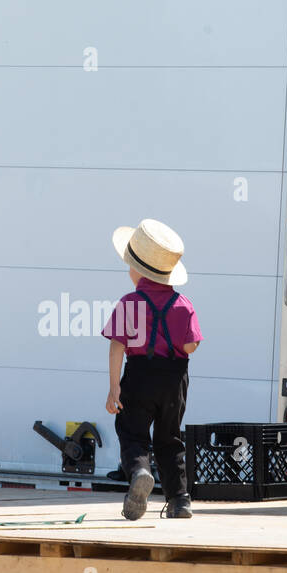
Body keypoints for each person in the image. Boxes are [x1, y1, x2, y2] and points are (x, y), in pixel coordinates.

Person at [101, 219, 202, 520]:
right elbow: (190, 347)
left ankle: (141, 471)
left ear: (139, 271)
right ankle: (180, 500)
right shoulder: (184, 304)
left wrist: (114, 387)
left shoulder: (130, 303)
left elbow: (117, 346)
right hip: (174, 379)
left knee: (132, 433)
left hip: (140, 375)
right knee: (169, 438)